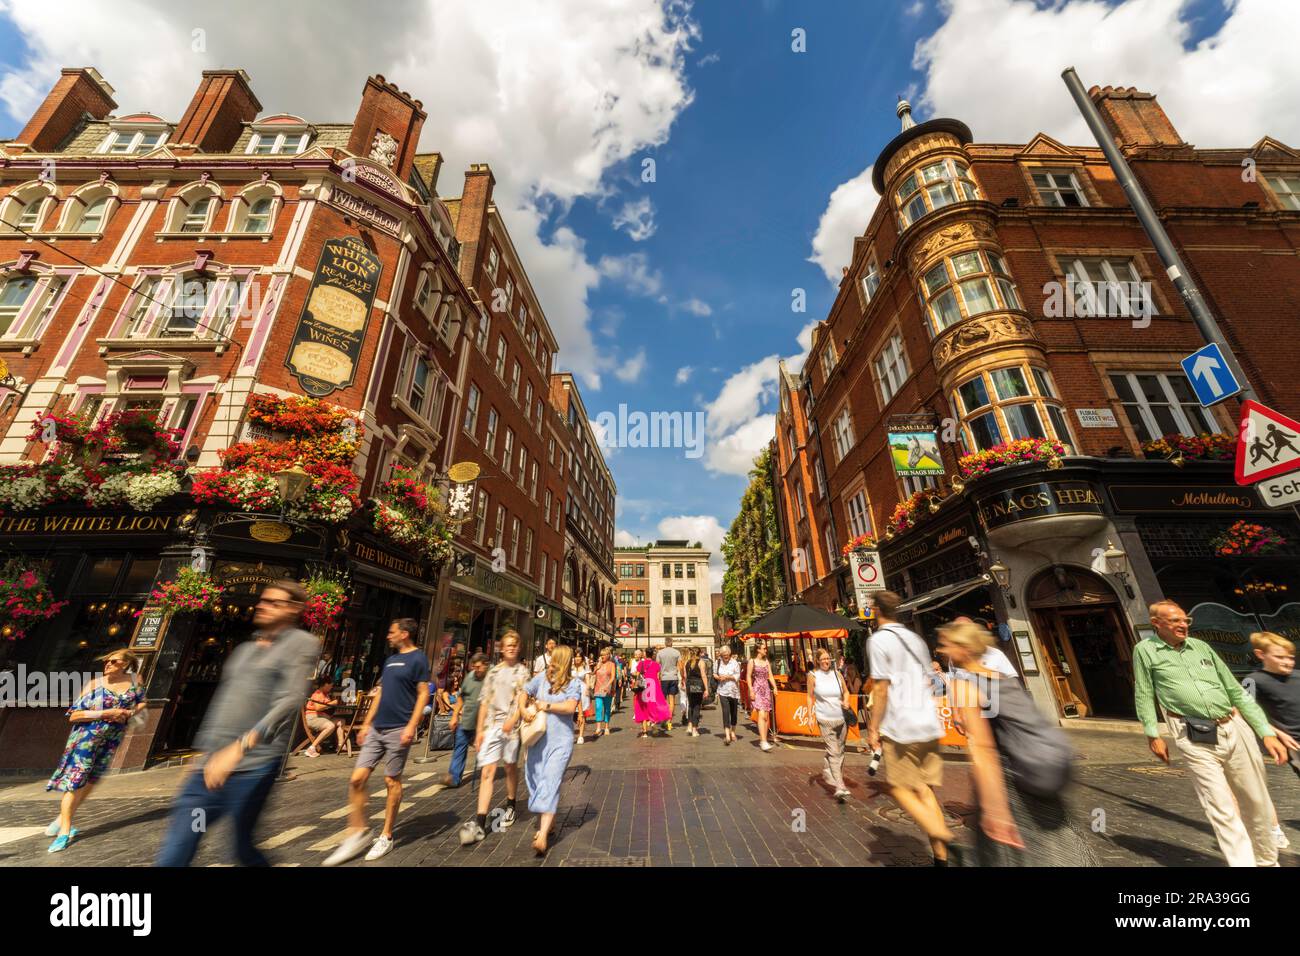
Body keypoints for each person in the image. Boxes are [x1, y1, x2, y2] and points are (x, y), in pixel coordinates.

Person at [156, 581, 319, 867]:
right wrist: (202, 754)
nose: (262, 606)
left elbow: (290, 700)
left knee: (241, 847)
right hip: (209, 768)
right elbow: (224, 703)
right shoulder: (244, 649)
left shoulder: (302, 644)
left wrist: (241, 746)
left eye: (274, 602)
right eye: (263, 601)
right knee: (185, 837)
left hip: (253, 768)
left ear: (294, 610)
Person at [1135, 600, 1290, 867]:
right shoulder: (1145, 650)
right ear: (1156, 624)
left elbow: (1235, 691)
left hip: (1232, 726)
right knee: (1220, 806)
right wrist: (1153, 733)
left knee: (1257, 801)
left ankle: (1267, 861)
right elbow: (1144, 692)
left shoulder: (1202, 647)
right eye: (1175, 621)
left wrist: (1265, 731)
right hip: (1191, 733)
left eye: (1186, 620)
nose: (1183, 625)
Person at [939, 621, 1095, 866]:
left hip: (1011, 777)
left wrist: (994, 809)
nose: (942, 650)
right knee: (1056, 844)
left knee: (1010, 853)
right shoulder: (1001, 677)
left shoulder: (965, 685)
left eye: (947, 645)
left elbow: (983, 750)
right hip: (1038, 763)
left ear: (964, 649)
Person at [324, 618, 430, 865]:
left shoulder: (418, 659)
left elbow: (423, 693)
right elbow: (380, 693)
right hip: (377, 729)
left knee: (391, 780)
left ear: (404, 634)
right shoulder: (390, 661)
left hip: (398, 729)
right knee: (357, 780)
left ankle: (386, 835)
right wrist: (366, 723)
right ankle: (358, 831)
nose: (387, 636)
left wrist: (412, 726)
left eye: (392, 632)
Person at [866, 591, 955, 866]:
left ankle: (939, 831)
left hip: (901, 726)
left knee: (899, 788)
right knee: (925, 791)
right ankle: (941, 859)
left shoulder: (878, 640)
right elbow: (929, 680)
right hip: (928, 722)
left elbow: (881, 688)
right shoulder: (915, 639)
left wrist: (873, 728)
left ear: (878, 610)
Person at [45, 649, 147, 852]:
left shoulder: (136, 679)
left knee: (92, 780)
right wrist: (106, 712)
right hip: (85, 740)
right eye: (106, 661)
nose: (107, 664)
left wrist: (129, 712)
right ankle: (64, 832)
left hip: (111, 739)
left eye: (113, 661)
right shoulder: (95, 684)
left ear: (125, 664)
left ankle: (60, 820)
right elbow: (74, 716)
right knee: (76, 782)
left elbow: (142, 701)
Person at [459, 630, 529, 846]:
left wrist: (513, 719)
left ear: (518, 648)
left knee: (509, 767)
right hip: (491, 726)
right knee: (487, 771)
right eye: (506, 645)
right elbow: (485, 701)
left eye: (513, 645)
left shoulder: (522, 672)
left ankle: (510, 804)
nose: (510, 648)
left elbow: (522, 701)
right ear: (501, 648)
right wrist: (479, 730)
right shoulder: (493, 672)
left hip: (511, 727)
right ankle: (480, 821)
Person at [519, 644, 585, 855]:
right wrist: (522, 709)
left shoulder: (574, 684)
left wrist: (544, 705)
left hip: (560, 742)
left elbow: (569, 708)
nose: (552, 662)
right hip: (538, 741)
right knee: (536, 780)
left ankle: (543, 833)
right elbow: (524, 691)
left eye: (556, 659)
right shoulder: (540, 680)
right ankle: (550, 819)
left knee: (551, 780)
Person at [807, 647, 852, 800]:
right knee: (834, 752)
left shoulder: (837, 674)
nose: (826, 661)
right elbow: (809, 696)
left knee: (840, 751)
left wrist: (846, 701)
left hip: (841, 719)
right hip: (824, 719)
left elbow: (846, 692)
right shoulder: (813, 676)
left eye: (828, 659)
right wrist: (810, 715)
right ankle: (840, 786)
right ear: (817, 661)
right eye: (823, 659)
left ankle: (828, 769)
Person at [444, 652, 488, 788]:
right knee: (459, 748)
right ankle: (454, 777)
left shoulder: (493, 676)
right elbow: (461, 697)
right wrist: (454, 716)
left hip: (484, 723)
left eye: (479, 667)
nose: (476, 670)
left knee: (484, 750)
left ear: (486, 665)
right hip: (466, 720)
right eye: (474, 667)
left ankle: (487, 775)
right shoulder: (469, 677)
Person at [302, 676, 350, 758]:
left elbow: (326, 708)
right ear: (325, 684)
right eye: (331, 685)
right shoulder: (318, 694)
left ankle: (340, 745)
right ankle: (311, 748)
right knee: (330, 726)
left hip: (323, 718)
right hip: (314, 718)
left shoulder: (326, 695)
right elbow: (318, 708)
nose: (331, 687)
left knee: (341, 721)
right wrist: (333, 703)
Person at [746, 640, 779, 752]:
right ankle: (763, 741)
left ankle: (763, 740)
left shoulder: (766, 661)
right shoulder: (752, 661)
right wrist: (751, 690)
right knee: (761, 715)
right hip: (757, 689)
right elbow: (749, 676)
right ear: (758, 649)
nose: (766, 650)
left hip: (765, 689)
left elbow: (770, 675)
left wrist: (774, 687)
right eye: (764, 648)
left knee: (766, 715)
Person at [632, 647, 669, 737]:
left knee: (643, 707)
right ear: (653, 655)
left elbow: (637, 674)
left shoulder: (641, 663)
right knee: (652, 705)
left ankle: (644, 732)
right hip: (652, 686)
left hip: (643, 686)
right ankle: (653, 721)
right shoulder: (656, 665)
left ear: (645, 654)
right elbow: (658, 677)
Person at [714, 645, 742, 745]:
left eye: (727, 655)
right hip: (722, 691)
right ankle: (727, 735)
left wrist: (728, 677)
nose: (725, 657)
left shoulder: (735, 663)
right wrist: (718, 678)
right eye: (723, 655)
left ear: (730, 654)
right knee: (725, 712)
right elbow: (714, 674)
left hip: (733, 691)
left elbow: (737, 676)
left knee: (733, 712)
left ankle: (733, 731)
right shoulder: (717, 662)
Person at [683, 647, 710, 737]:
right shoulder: (701, 662)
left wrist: (685, 685)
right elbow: (703, 675)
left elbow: (685, 675)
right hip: (697, 684)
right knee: (697, 707)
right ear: (700, 653)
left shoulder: (687, 662)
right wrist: (706, 688)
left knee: (691, 705)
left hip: (689, 684)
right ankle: (695, 728)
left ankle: (690, 725)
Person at [656, 638, 682, 732]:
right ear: (672, 643)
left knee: (663, 701)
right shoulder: (677, 652)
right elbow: (680, 665)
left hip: (664, 678)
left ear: (665, 643)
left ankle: (663, 719)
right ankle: (669, 722)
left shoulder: (660, 653)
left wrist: (658, 677)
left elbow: (657, 666)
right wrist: (682, 676)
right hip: (674, 677)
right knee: (672, 701)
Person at [591, 646, 616, 738]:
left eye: (603, 655)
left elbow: (613, 677)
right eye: (601, 655)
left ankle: (606, 726)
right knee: (598, 707)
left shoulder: (611, 664)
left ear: (608, 655)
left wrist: (608, 685)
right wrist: (596, 667)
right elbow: (593, 674)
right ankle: (598, 728)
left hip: (607, 689)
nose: (602, 657)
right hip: (598, 688)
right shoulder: (599, 664)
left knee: (607, 708)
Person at [572, 651, 591, 744]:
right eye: (576, 656)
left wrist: (587, 689)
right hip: (571, 691)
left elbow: (587, 679)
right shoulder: (570, 666)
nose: (577, 658)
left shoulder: (585, 667)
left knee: (581, 713)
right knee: (571, 714)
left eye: (579, 656)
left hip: (582, 691)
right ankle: (570, 734)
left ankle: (580, 736)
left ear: (582, 658)